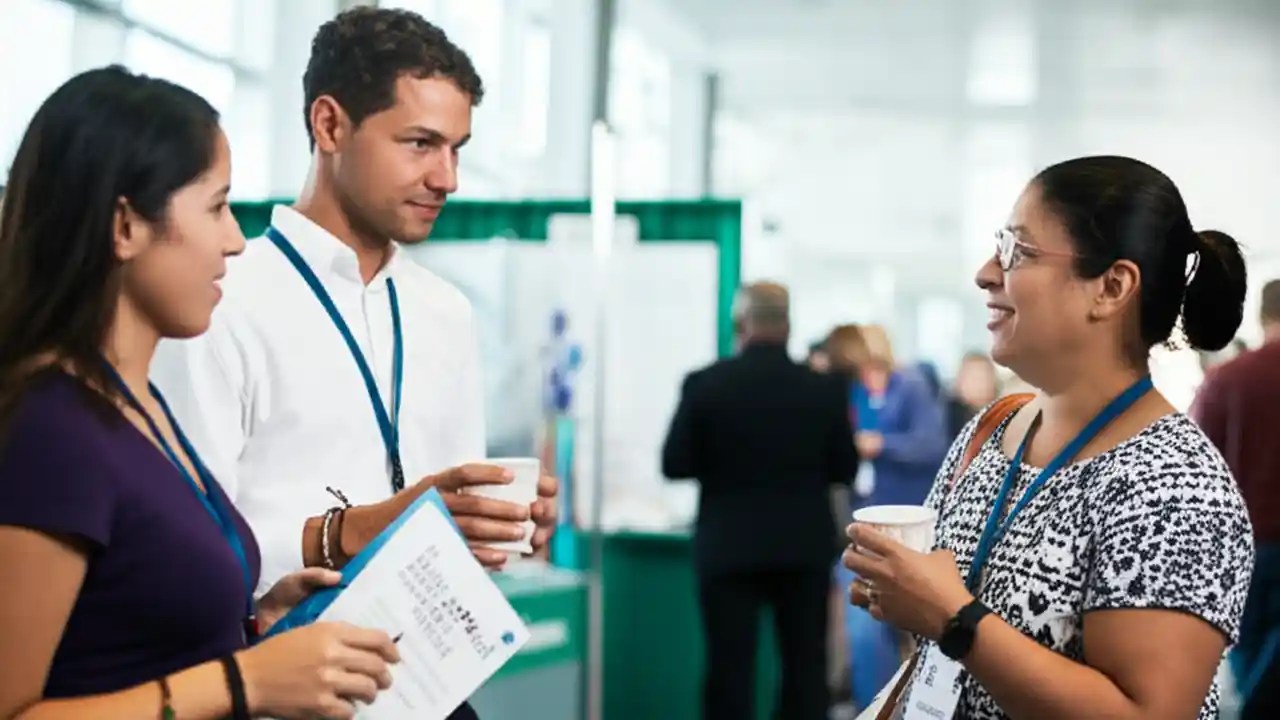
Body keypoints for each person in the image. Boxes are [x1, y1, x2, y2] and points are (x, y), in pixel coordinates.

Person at [151, 10, 558, 719]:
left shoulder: (447, 312)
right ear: (330, 126)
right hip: (287, 689)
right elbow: (187, 542)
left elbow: (451, 527)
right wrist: (352, 531)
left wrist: (504, 530)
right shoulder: (221, 300)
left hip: (428, 689)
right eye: (421, 145)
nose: (448, 178)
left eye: (458, 149)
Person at [0, 66, 399, 720]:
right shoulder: (51, 430)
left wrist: (257, 624)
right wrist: (244, 681)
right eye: (216, 206)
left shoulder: (139, 407)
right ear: (125, 226)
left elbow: (128, 633)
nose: (235, 240)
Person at [842, 155, 1254, 719]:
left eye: (1019, 251)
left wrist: (954, 619)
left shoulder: (1175, 487)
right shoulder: (991, 429)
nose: (987, 272)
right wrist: (905, 595)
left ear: (1111, 287)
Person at [662, 281, 859, 720]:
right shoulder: (823, 390)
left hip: (727, 548)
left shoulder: (705, 385)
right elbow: (845, 468)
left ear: (741, 324)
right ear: (787, 325)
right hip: (802, 550)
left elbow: (674, 463)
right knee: (805, 672)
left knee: (728, 672)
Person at [1192, 278, 1280, 718]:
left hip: (1243, 547)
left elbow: (1196, 468)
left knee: (1246, 654)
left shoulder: (1225, 381)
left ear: (1263, 316)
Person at [849, 323, 949, 508]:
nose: (869, 375)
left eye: (875, 366)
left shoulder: (912, 387)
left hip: (906, 503)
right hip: (862, 503)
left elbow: (930, 445)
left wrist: (882, 444)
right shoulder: (854, 390)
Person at [947, 352, 1000, 439]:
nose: (980, 385)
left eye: (984, 377)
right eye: (974, 378)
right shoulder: (948, 417)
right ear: (959, 383)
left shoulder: (1003, 415)